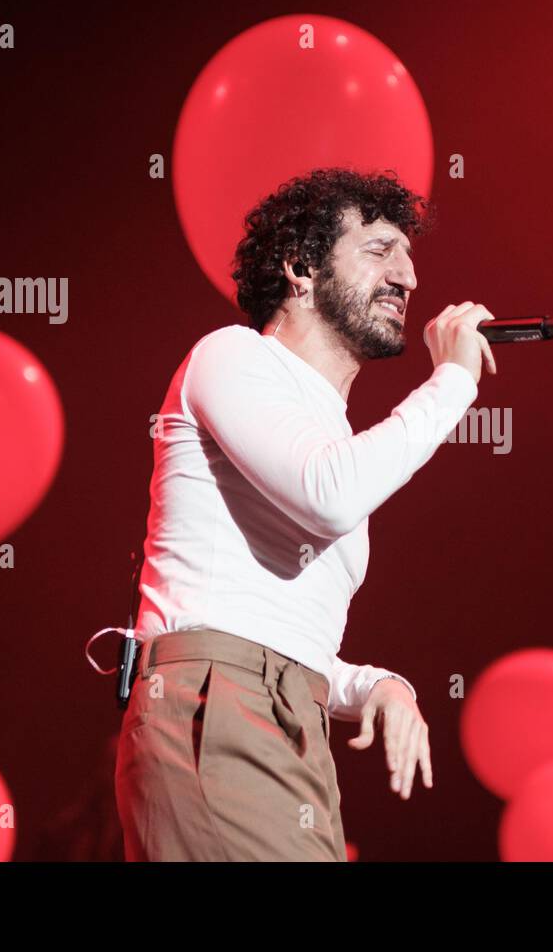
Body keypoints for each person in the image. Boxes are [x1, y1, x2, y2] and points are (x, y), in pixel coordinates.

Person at [115, 167, 498, 861]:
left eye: (410, 261)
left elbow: (285, 626)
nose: (408, 278)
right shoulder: (230, 356)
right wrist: (455, 382)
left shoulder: (334, 442)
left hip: (293, 716)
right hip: (217, 703)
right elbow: (329, 496)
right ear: (300, 267)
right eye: (380, 251)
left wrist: (372, 685)